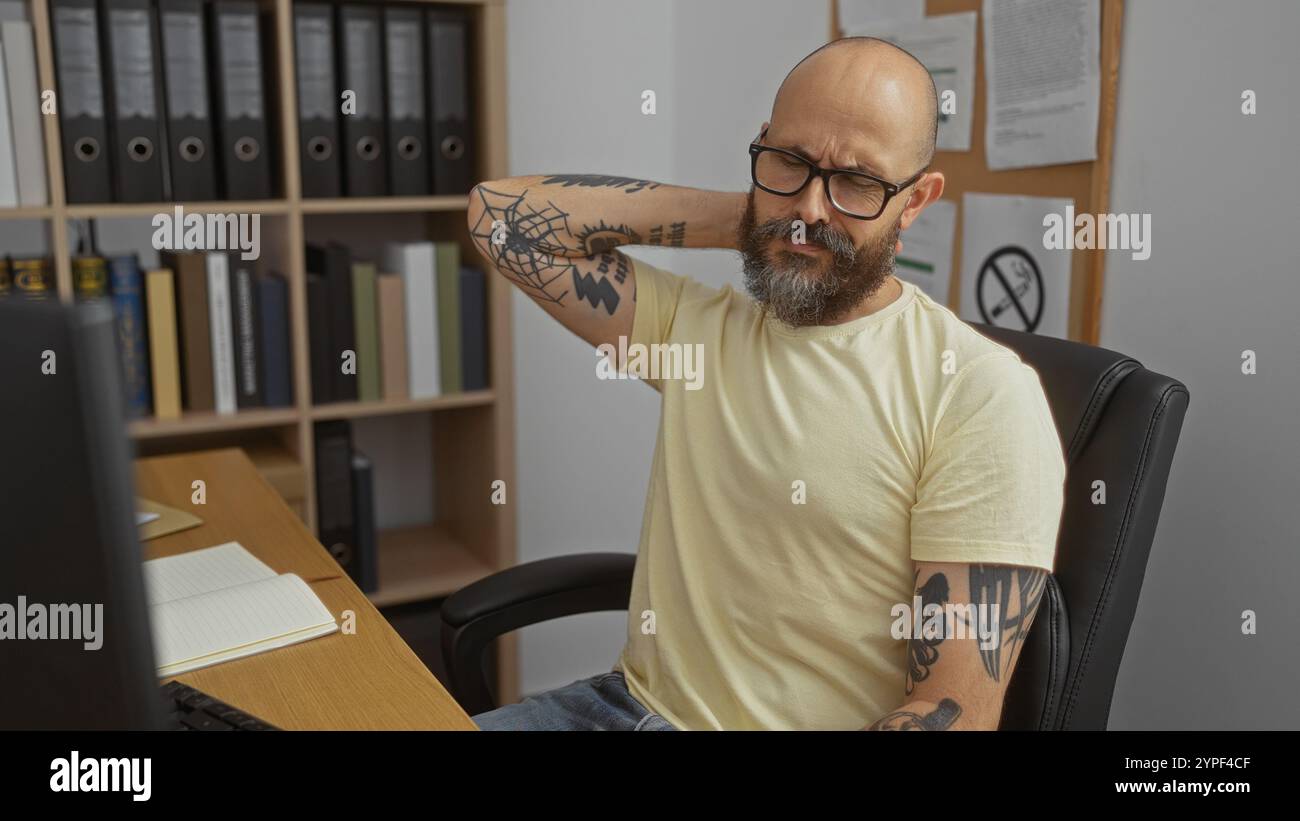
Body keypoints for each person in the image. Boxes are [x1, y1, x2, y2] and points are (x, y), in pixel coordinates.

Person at [467, 37, 1065, 730]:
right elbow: (498, 219)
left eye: (858, 182)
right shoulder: (694, 329)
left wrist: (792, 207)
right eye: (789, 161)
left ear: (914, 202)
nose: (811, 206)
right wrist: (754, 216)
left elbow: (951, 712)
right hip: (618, 707)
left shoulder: (980, 395)